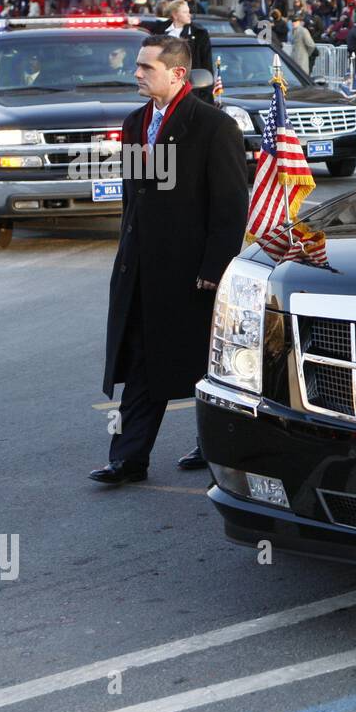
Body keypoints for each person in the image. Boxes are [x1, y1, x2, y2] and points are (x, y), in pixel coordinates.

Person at [90, 34, 248, 485]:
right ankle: (129, 458)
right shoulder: (135, 123)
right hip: (142, 270)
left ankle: (211, 443)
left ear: (177, 74)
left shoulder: (214, 127)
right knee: (143, 358)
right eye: (137, 66)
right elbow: (133, 200)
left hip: (193, 272)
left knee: (205, 363)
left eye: (146, 67)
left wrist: (214, 268)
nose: (136, 74)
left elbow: (230, 205)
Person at [160, 0, 212, 72]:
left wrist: (209, 81)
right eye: (185, 12)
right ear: (175, 15)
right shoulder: (161, 32)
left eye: (189, 12)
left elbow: (206, 61)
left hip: (192, 79)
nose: (189, 15)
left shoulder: (199, 33)